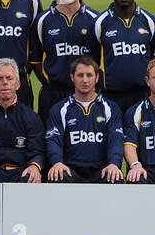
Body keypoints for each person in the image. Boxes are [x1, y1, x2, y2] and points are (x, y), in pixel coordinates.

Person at [31, 0, 101, 121]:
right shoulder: (43, 21)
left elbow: (99, 57)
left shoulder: (94, 19)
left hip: (86, 93)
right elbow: (35, 59)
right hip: (53, 93)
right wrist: (49, 81)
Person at [45, 55, 125, 183]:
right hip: (71, 170)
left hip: (101, 170)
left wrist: (114, 164)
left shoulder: (110, 108)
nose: (85, 80)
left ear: (97, 78)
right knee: (57, 174)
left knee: (115, 176)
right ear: (72, 77)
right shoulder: (60, 109)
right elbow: (53, 140)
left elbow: (116, 140)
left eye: (89, 75)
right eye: (80, 75)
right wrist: (57, 162)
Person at [93, 0, 155, 113]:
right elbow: (92, 61)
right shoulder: (99, 23)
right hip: (109, 96)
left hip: (143, 95)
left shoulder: (150, 21)